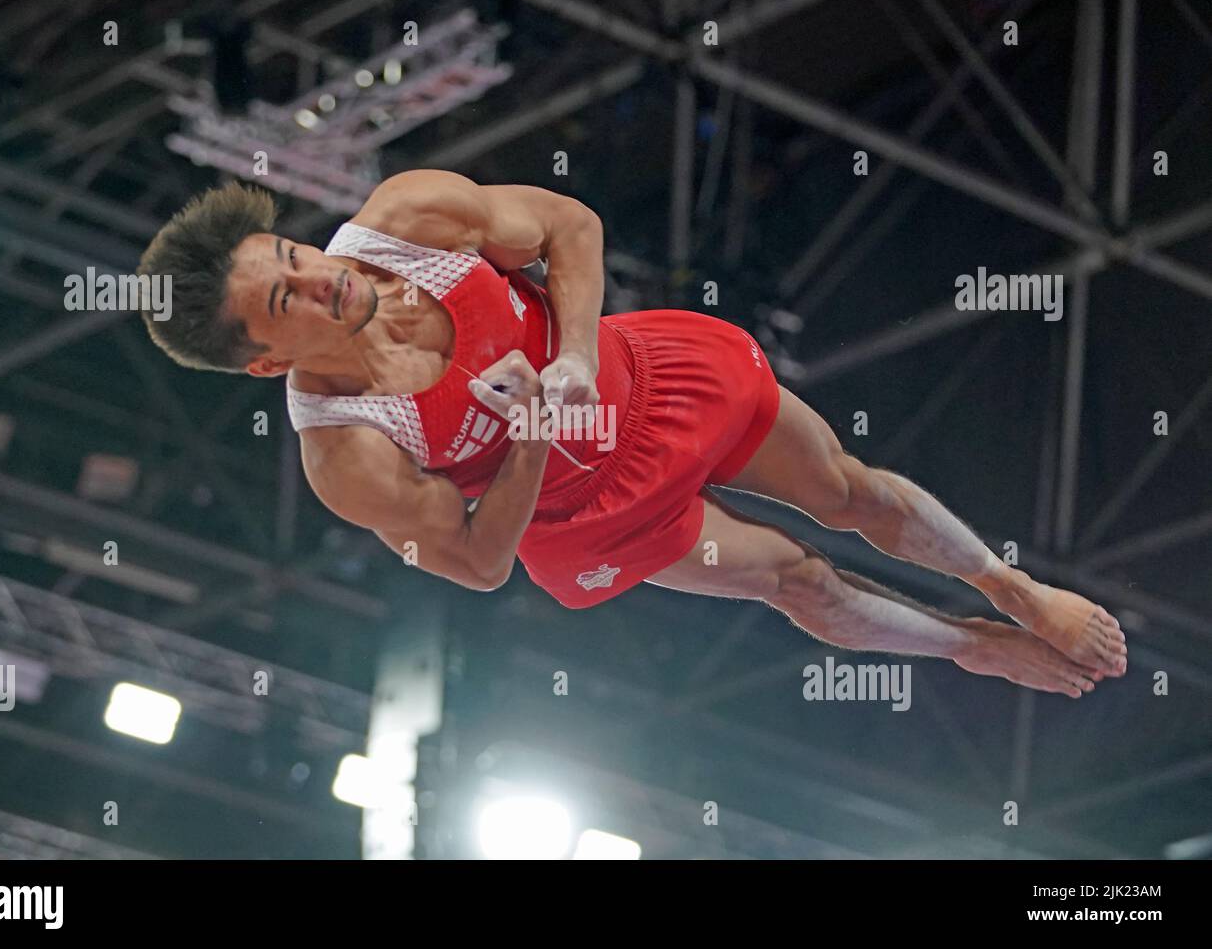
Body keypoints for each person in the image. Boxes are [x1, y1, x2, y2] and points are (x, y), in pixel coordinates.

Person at [137, 170, 1127, 698]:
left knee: (846, 489)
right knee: (798, 580)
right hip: (586, 514)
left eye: (293, 252)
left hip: (648, 378)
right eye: (287, 299)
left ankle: (1012, 587)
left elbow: (569, 225)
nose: (320, 277)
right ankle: (966, 644)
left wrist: (569, 359)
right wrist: (528, 434)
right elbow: (482, 563)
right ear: (267, 361)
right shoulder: (344, 451)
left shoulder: (407, 218)